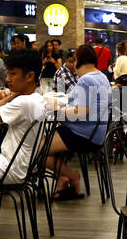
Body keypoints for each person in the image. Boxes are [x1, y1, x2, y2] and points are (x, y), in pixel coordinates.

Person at [44, 45, 112, 198]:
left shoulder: (86, 80)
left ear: (77, 61)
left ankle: (71, 175)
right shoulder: (101, 77)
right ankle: (63, 177)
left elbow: (81, 110)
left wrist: (58, 111)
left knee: (38, 149)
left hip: (82, 134)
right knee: (48, 145)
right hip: (96, 133)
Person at [0, 48, 50, 191]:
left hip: (5, 170)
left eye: (13, 74)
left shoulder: (24, 102)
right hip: (22, 168)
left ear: (30, 76)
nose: (8, 79)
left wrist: (13, 95)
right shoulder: (38, 98)